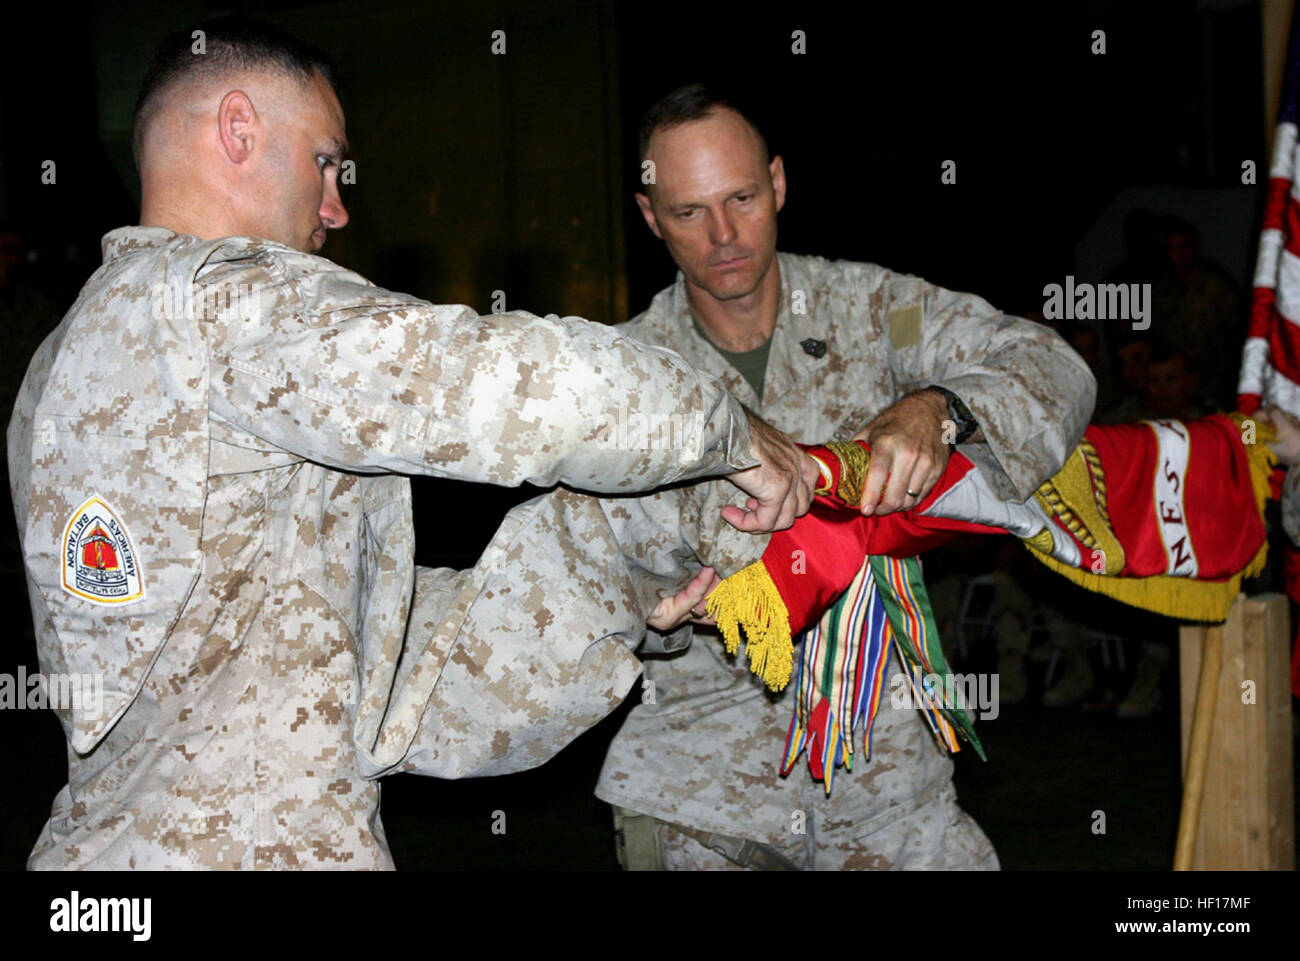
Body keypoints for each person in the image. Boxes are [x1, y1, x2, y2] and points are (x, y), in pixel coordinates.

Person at [6, 20, 820, 870]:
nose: (337, 205)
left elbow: (352, 657)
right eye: (325, 160)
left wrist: (623, 571)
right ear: (238, 129)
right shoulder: (220, 306)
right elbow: (498, 385)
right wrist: (720, 424)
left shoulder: (62, 364)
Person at [594, 84, 1096, 870]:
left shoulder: (873, 310)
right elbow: (580, 568)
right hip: (703, 796)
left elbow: (1052, 366)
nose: (724, 234)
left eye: (743, 197)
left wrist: (940, 407)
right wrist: (645, 603)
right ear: (650, 215)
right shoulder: (624, 377)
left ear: (781, 184)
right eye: (689, 212)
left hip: (883, 775)